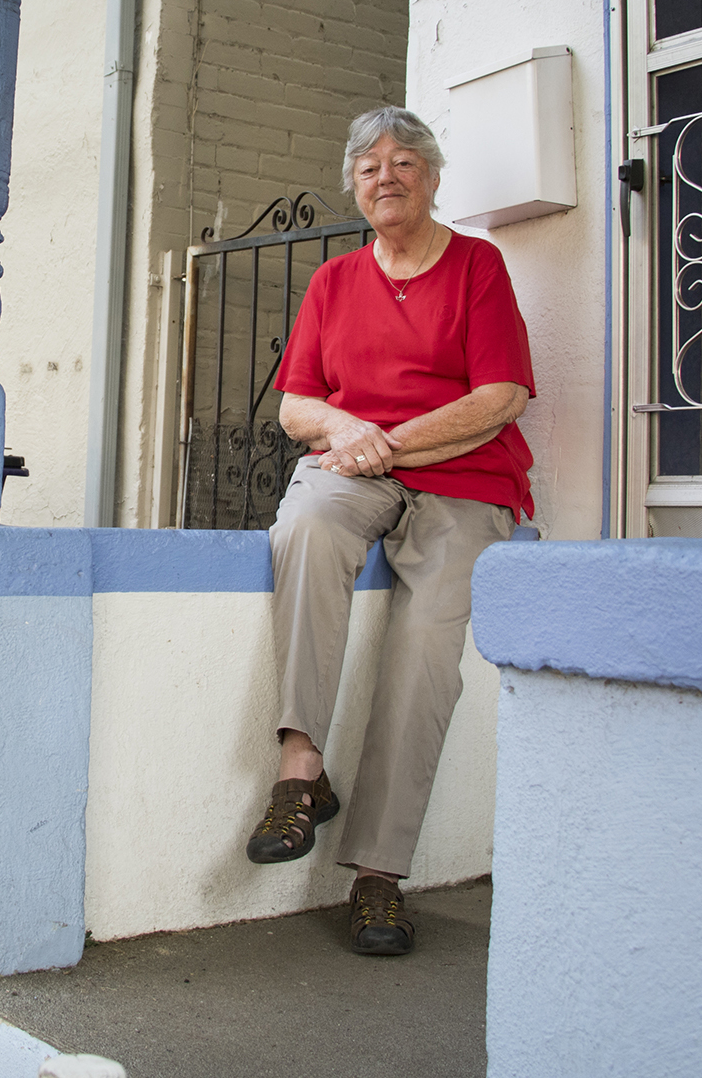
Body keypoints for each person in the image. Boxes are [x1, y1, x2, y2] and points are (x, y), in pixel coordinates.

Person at [243, 105, 535, 955]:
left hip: (465, 480)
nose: (386, 177)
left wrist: (386, 440)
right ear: (354, 187)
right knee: (303, 527)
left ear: (434, 178)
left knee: (425, 644)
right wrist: (346, 432)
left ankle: (378, 874)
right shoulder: (333, 280)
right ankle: (302, 769)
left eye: (405, 162)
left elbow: (501, 398)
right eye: (369, 167)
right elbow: (297, 404)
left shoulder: (479, 266)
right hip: (352, 471)